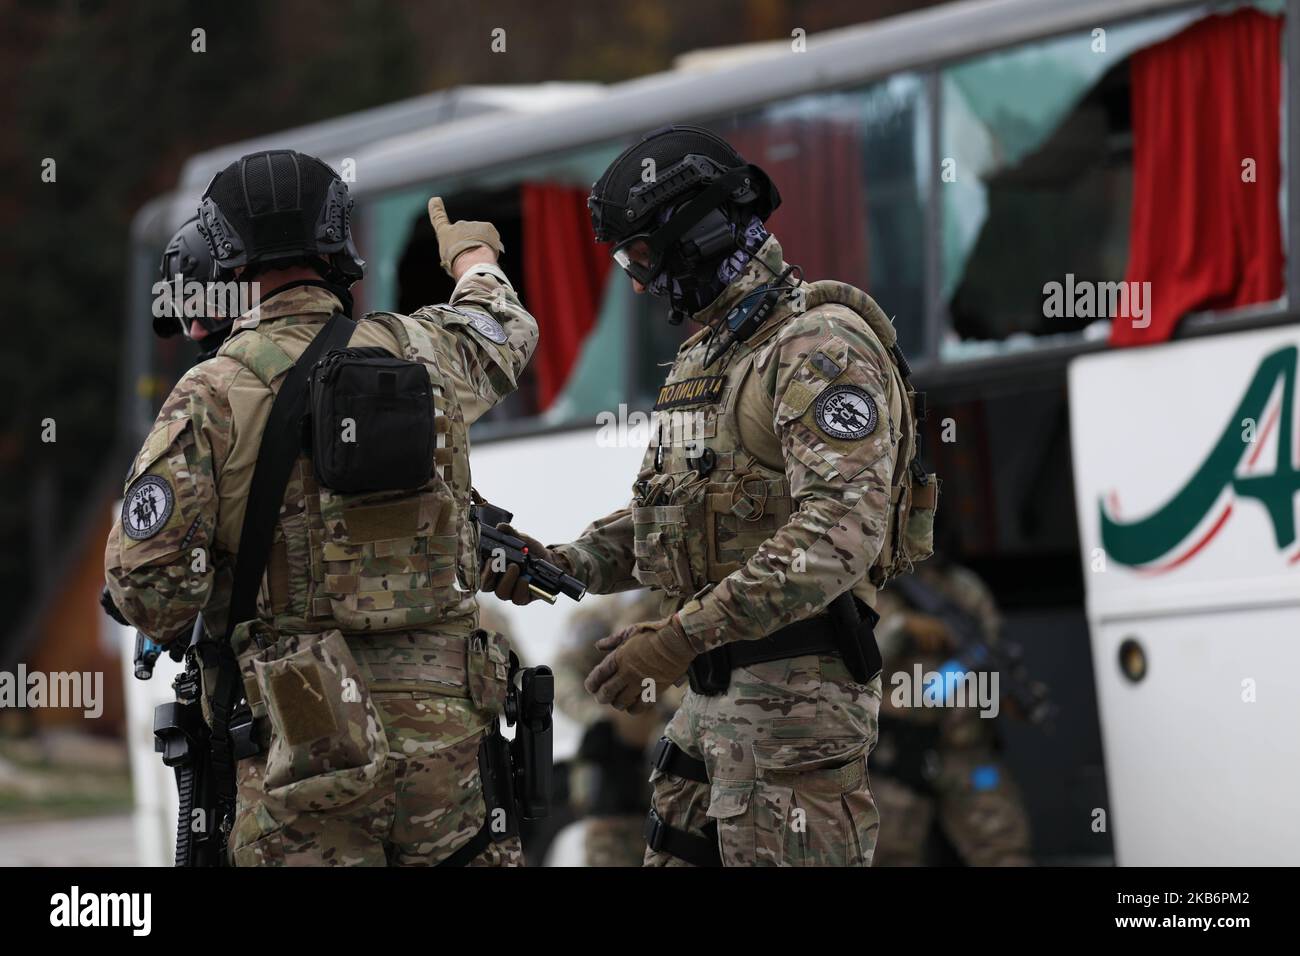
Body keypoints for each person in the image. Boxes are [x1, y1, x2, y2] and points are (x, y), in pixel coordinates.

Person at [482, 126, 937, 866]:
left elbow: (837, 535)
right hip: (709, 715)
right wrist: (564, 563)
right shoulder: (710, 355)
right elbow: (681, 516)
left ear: (693, 234)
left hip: (794, 726)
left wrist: (674, 639)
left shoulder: (819, 346)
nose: (635, 282)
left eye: (638, 257)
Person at [104, 148, 538, 866]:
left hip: (301, 754)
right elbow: (505, 329)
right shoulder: (420, 350)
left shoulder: (209, 395)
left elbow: (147, 591)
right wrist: (474, 258)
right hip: (449, 748)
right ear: (338, 237)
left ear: (225, 255)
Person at [871, 559, 1033, 866]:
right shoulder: (868, 590)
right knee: (891, 855)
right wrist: (902, 627)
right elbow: (854, 668)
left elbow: (993, 650)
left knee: (1004, 850)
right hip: (897, 753)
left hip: (966, 749)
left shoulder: (962, 587)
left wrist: (1007, 691)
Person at [553, 592, 678, 866]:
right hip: (614, 767)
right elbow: (563, 675)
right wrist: (597, 715)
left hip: (678, 756)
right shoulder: (599, 618)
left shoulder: (691, 610)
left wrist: (668, 714)